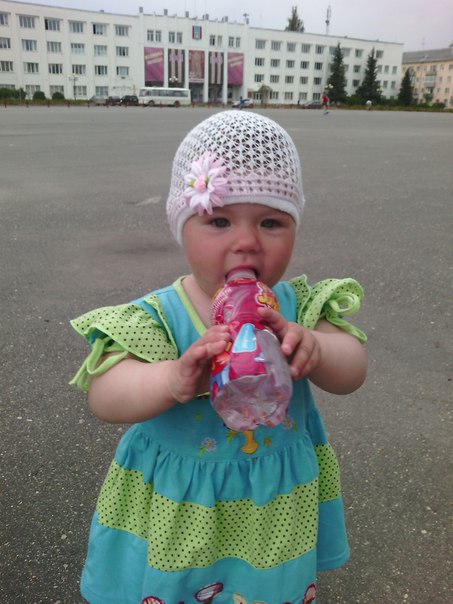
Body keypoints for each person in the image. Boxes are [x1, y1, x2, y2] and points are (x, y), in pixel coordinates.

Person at [70, 111, 367, 604]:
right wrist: (171, 379)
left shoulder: (299, 308)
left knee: (264, 588)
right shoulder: (161, 316)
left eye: (271, 222)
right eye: (219, 222)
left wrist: (316, 349)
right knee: (180, 589)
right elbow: (104, 395)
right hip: (182, 502)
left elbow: (353, 369)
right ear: (182, 228)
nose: (247, 242)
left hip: (270, 503)